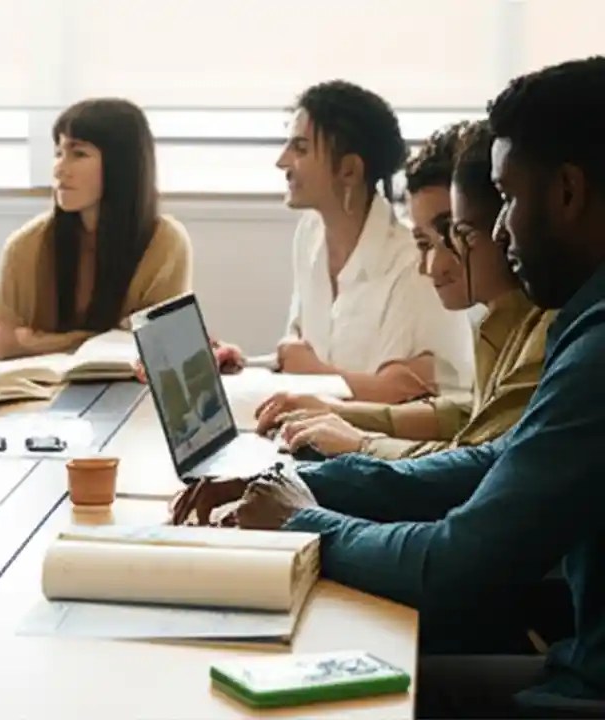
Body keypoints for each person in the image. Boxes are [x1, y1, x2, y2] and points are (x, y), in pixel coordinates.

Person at [171, 57, 605, 718]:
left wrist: (304, 519)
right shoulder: (587, 320)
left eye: (509, 198)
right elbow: (497, 459)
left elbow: (454, 566)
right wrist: (314, 485)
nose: (497, 230)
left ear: (569, 192)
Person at [254, 121, 553, 460]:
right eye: (426, 242)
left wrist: (361, 444)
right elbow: (468, 416)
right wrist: (336, 411)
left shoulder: (543, 329)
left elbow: (473, 463)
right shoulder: (500, 320)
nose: (432, 266)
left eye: (457, 233)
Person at [265, 80, 474, 403]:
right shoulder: (309, 235)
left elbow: (410, 392)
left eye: (301, 148)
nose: (282, 161)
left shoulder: (414, 263)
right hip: (313, 431)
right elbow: (298, 347)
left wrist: (314, 375)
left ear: (349, 170)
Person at [0, 98, 193, 360]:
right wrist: (110, 338)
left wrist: (30, 340)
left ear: (121, 165)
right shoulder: (26, 245)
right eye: (58, 153)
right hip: (37, 391)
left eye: (78, 154)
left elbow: (161, 348)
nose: (59, 169)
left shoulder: (166, 242)